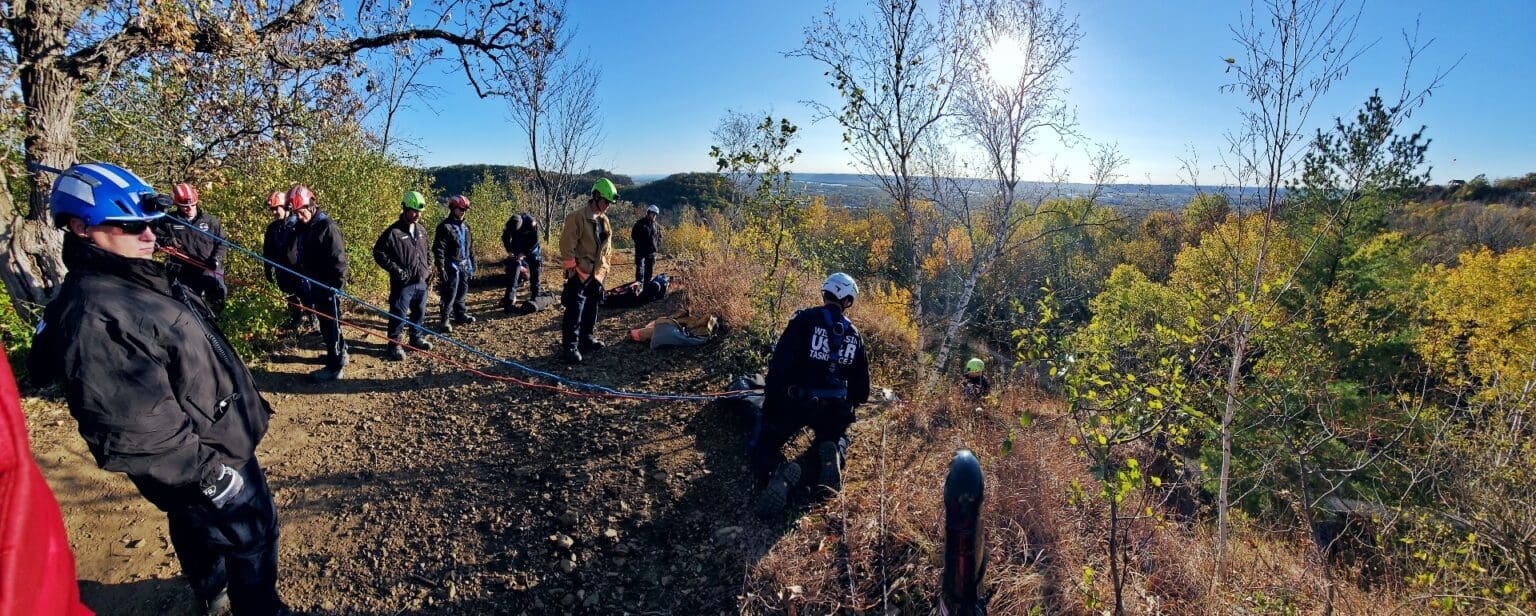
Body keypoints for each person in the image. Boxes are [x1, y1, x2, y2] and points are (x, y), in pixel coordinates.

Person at [28, 163, 292, 616]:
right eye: (132, 226)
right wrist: (211, 476)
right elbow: (137, 428)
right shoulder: (95, 314)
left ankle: (213, 591)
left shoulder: (133, 278)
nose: (149, 235)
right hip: (203, 458)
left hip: (207, 436)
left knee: (193, 524)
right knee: (252, 534)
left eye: (151, 224)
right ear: (80, 228)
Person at [749, 272, 871, 518]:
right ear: (849, 302)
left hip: (797, 403)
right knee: (835, 437)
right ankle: (833, 451)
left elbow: (780, 365)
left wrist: (772, 402)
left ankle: (778, 471)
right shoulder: (855, 335)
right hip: (834, 408)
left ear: (825, 294)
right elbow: (862, 391)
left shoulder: (803, 319)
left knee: (763, 445)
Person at [289, 184, 349, 382]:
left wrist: (335, 286)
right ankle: (339, 354)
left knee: (331, 324)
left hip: (328, 285)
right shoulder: (305, 226)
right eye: (295, 213)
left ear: (311, 206)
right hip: (315, 283)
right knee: (327, 324)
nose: (298, 216)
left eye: (300, 212)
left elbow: (339, 261)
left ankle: (335, 367)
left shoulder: (327, 227)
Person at [558, 178, 617, 363]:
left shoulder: (604, 221)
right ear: (596, 197)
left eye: (609, 203)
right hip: (580, 273)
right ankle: (570, 346)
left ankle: (587, 339)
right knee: (575, 311)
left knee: (592, 307)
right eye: (606, 202)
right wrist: (572, 271)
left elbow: (607, 250)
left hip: (597, 275)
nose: (607, 206)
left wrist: (603, 271)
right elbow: (567, 246)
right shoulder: (577, 218)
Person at [373, 191, 435, 361]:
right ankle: (394, 345)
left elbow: (426, 252)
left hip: (421, 281)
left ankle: (416, 338)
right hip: (403, 284)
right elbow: (378, 253)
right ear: (405, 208)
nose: (418, 215)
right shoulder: (393, 232)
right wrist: (396, 270)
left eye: (420, 211)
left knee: (419, 313)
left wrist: (428, 268)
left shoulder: (421, 230)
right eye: (414, 211)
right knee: (398, 315)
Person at [167, 182, 229, 314]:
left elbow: (223, 242)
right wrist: (168, 241)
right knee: (187, 308)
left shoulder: (210, 221)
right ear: (177, 205)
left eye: (192, 205)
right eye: (185, 206)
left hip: (210, 269)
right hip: (184, 273)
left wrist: (216, 259)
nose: (189, 208)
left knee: (216, 305)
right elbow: (155, 239)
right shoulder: (169, 221)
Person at [261, 191, 310, 330]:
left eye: (277, 208)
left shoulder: (299, 224)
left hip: (299, 269)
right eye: (272, 209)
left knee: (306, 295)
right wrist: (267, 268)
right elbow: (267, 251)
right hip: (281, 270)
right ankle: (296, 319)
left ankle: (314, 320)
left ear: (287, 207)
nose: (274, 212)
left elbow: (307, 245)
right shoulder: (272, 229)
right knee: (290, 296)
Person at [433, 195, 476, 331]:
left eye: (465, 209)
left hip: (464, 264)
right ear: (453, 208)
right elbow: (438, 249)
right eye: (461, 209)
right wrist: (441, 268)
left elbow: (470, 247)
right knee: (450, 293)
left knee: (463, 291)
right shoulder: (444, 227)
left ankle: (460, 314)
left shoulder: (466, 227)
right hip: (450, 265)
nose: (464, 211)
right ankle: (445, 319)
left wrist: (473, 265)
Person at [500, 212, 542, 311]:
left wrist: (524, 253)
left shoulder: (531, 222)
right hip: (517, 247)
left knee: (535, 271)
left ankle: (535, 297)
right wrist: (509, 250)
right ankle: (509, 300)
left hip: (532, 249)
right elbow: (505, 238)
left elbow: (535, 240)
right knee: (514, 271)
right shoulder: (509, 224)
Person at [631, 204, 662, 284]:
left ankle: (647, 288)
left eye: (656, 214)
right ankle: (638, 287)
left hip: (651, 252)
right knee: (640, 271)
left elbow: (659, 237)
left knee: (649, 272)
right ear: (648, 213)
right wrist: (639, 244)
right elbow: (633, 235)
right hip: (641, 251)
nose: (654, 216)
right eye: (653, 214)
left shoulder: (656, 226)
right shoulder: (640, 223)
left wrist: (656, 246)